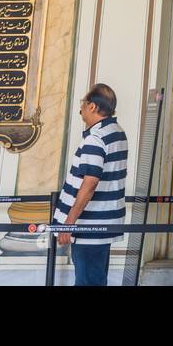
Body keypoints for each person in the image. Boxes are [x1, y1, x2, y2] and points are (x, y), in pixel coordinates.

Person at [55, 83, 128, 286]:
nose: (81, 110)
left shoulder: (95, 138)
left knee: (88, 281)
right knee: (96, 278)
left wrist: (69, 223)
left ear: (93, 107)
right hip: (104, 222)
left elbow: (89, 183)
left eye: (83, 104)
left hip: (89, 226)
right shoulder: (117, 131)